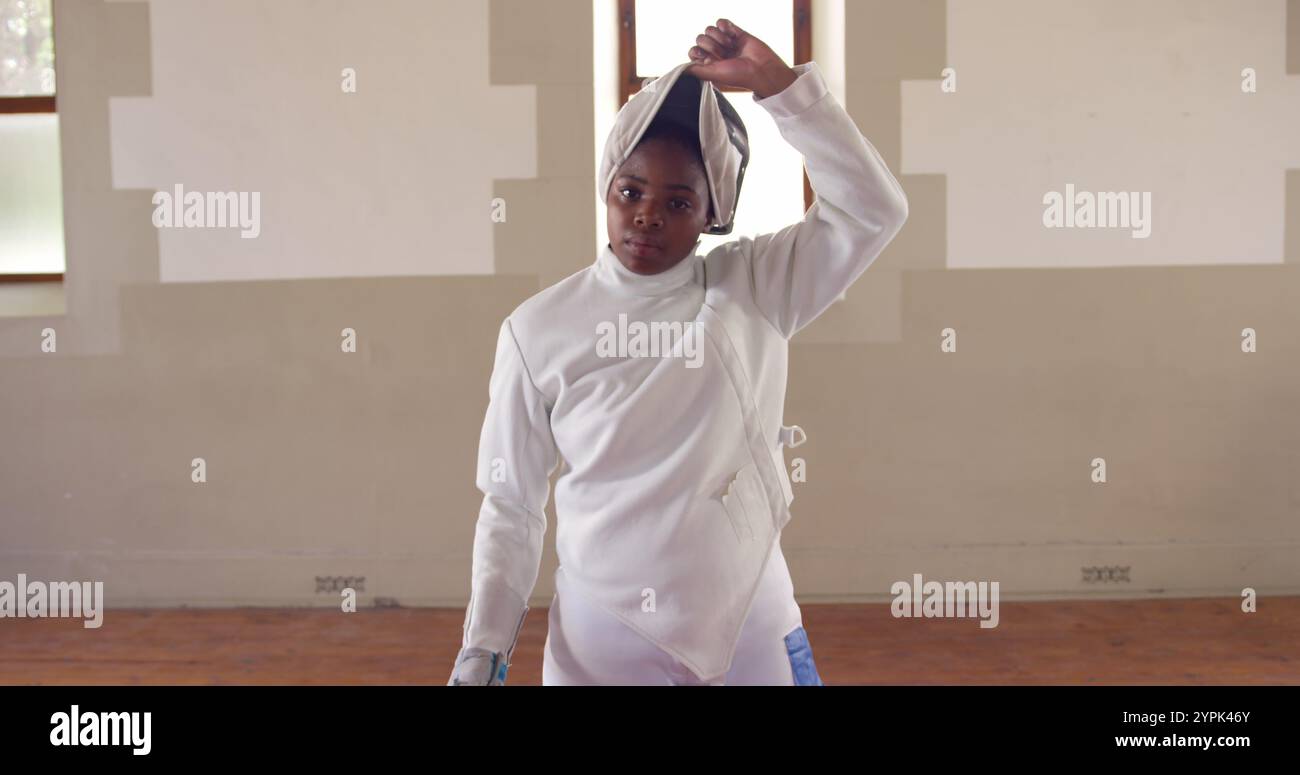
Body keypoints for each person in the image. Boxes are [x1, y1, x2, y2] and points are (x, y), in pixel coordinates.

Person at [448, 18, 908, 685]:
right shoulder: (537, 329)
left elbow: (874, 210)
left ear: (713, 212)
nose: (646, 216)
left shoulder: (753, 285)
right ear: (607, 187)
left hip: (750, 623)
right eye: (630, 191)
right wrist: (484, 646)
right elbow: (511, 504)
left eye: (678, 201)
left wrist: (782, 90)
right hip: (601, 643)